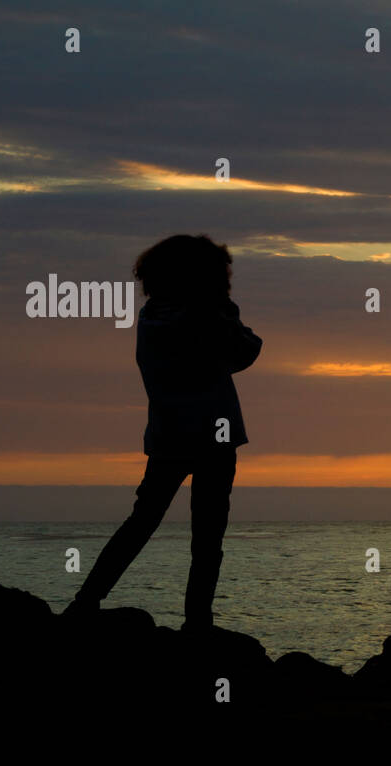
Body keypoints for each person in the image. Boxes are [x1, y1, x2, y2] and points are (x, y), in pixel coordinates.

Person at [63, 235, 262, 630]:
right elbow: (245, 351)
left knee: (142, 522)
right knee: (207, 538)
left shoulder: (154, 315)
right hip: (212, 434)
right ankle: (197, 622)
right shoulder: (204, 316)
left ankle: (86, 602)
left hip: (169, 433)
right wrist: (228, 313)